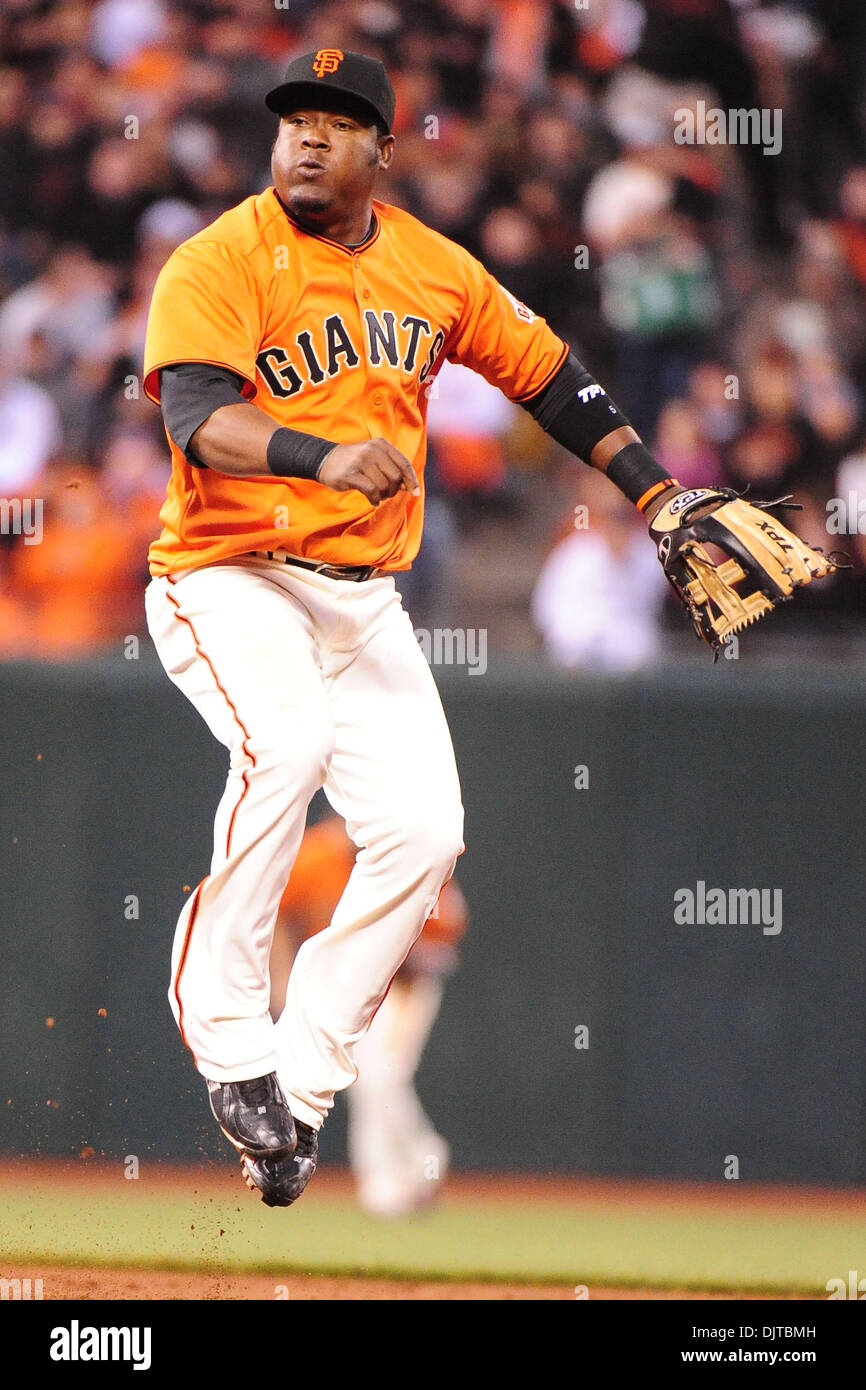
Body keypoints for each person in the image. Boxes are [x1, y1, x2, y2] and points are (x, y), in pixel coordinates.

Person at [142, 48, 691, 1208]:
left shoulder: (434, 270)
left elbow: (552, 378)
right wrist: (319, 453)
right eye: (293, 117)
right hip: (227, 572)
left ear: (381, 153)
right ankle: (230, 1035)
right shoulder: (220, 259)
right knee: (282, 750)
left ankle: (297, 1083)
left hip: (359, 597)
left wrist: (656, 491)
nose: (305, 137)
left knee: (425, 833)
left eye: (337, 123)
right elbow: (195, 417)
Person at [270, 810, 467, 1216]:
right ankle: (414, 1161)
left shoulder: (409, 855)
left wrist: (399, 949)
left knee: (377, 1075)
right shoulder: (317, 856)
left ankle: (395, 1176)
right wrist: (282, 980)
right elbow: (277, 917)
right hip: (344, 986)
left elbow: (444, 939)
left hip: (400, 988)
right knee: (369, 1079)